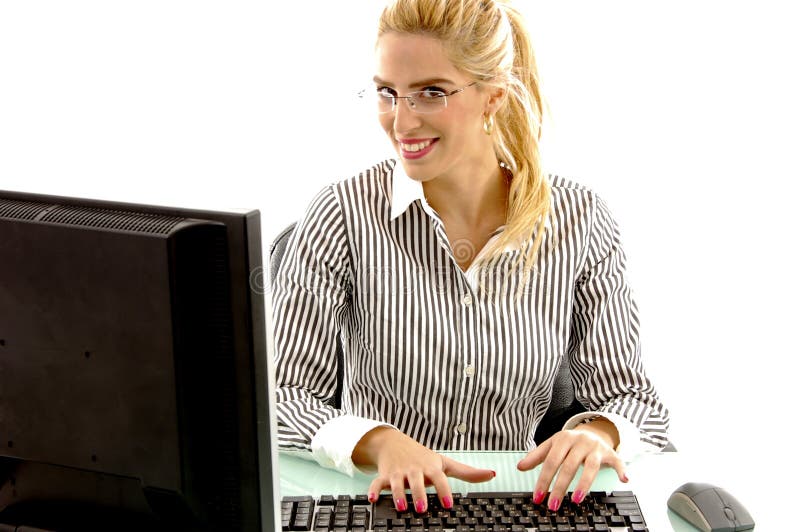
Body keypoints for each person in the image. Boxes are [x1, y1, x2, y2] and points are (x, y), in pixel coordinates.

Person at [271, 0, 670, 515]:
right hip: (386, 505)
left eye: (431, 93)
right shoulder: (342, 213)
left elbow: (635, 401)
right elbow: (283, 400)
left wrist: (602, 434)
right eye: (388, 94)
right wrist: (379, 442)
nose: (402, 121)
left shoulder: (581, 219)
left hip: (526, 506)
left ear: (493, 98)